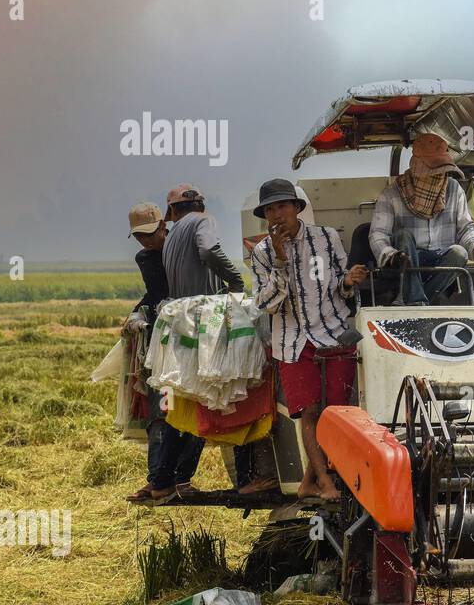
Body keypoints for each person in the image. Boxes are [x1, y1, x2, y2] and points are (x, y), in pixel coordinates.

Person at [249, 179, 368, 500]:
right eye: (270, 209)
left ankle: (308, 482)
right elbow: (266, 303)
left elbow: (342, 289)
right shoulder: (261, 253)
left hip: (334, 333)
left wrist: (349, 280)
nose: (277, 215)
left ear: (297, 208)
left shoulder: (326, 238)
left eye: (282, 206)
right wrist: (281, 262)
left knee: (337, 411)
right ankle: (325, 484)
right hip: (293, 341)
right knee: (311, 411)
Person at [159, 184, 265, 496]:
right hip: (207, 317)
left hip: (180, 321)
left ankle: (169, 479)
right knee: (230, 390)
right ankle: (246, 480)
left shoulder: (172, 234)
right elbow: (207, 250)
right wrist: (234, 280)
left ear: (173, 212)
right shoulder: (204, 221)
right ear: (200, 205)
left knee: (189, 401)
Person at [121, 202, 205, 503]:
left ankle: (175, 479)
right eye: (140, 236)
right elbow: (158, 294)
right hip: (165, 343)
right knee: (163, 413)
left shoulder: (185, 251)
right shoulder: (146, 258)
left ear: (163, 226)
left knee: (196, 411)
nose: (146, 241)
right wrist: (136, 313)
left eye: (150, 233)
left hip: (193, 337)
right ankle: (159, 480)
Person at [367, 133, 474, 305]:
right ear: (418, 169)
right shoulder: (392, 194)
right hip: (405, 265)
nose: (439, 176)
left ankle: (415, 303)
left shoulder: (454, 190)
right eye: (434, 171)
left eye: (442, 171)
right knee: (403, 235)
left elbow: (466, 228)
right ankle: (416, 300)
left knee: (460, 252)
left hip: (440, 265)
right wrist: (392, 256)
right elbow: (377, 235)